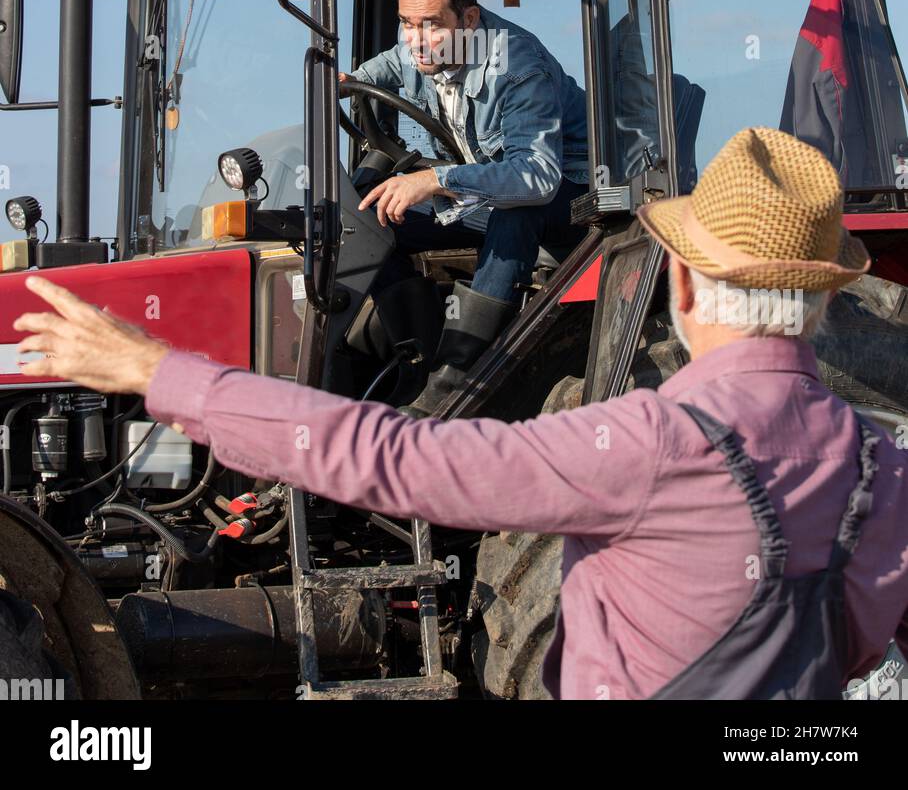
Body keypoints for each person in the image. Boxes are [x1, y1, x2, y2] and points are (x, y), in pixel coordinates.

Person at [14, 127, 908, 700]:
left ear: (674, 279)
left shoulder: (645, 446)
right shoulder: (883, 464)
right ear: (825, 303)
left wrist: (156, 370)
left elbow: (395, 460)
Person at [341, 0, 589, 413]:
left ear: (469, 19)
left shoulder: (517, 68)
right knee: (371, 220)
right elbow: (384, 70)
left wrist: (435, 179)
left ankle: (454, 382)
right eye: (406, 23)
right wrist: (341, 83)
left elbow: (536, 177)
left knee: (517, 214)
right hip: (493, 193)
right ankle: (417, 361)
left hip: (574, 200)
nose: (416, 41)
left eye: (431, 25)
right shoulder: (422, 49)